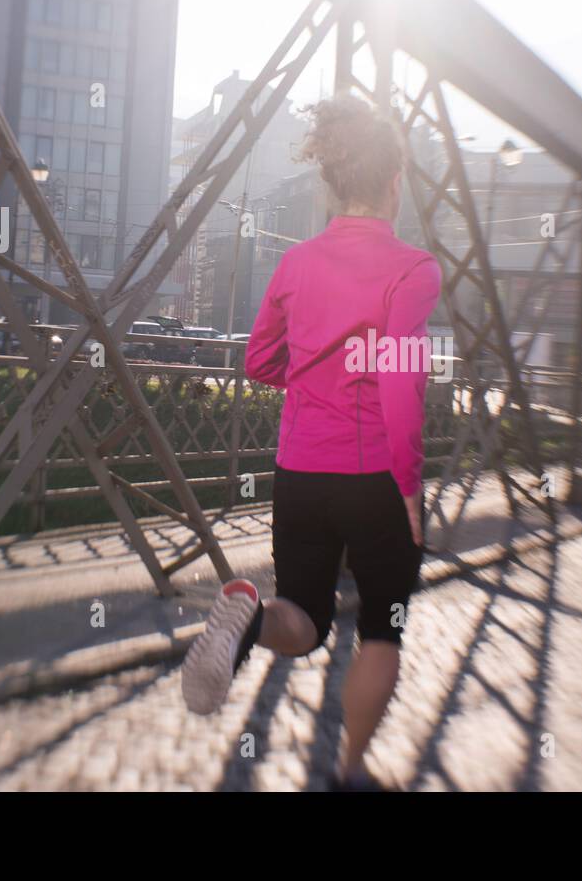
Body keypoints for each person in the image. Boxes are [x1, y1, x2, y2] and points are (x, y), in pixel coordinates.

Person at [179, 93, 442, 791]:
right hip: (376, 480)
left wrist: (314, 370)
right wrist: (410, 489)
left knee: (304, 618)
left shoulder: (297, 264)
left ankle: (247, 614)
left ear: (331, 182)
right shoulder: (414, 270)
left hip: (301, 470)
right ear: (395, 182)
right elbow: (400, 387)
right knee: (382, 629)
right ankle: (352, 767)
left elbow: (258, 361)